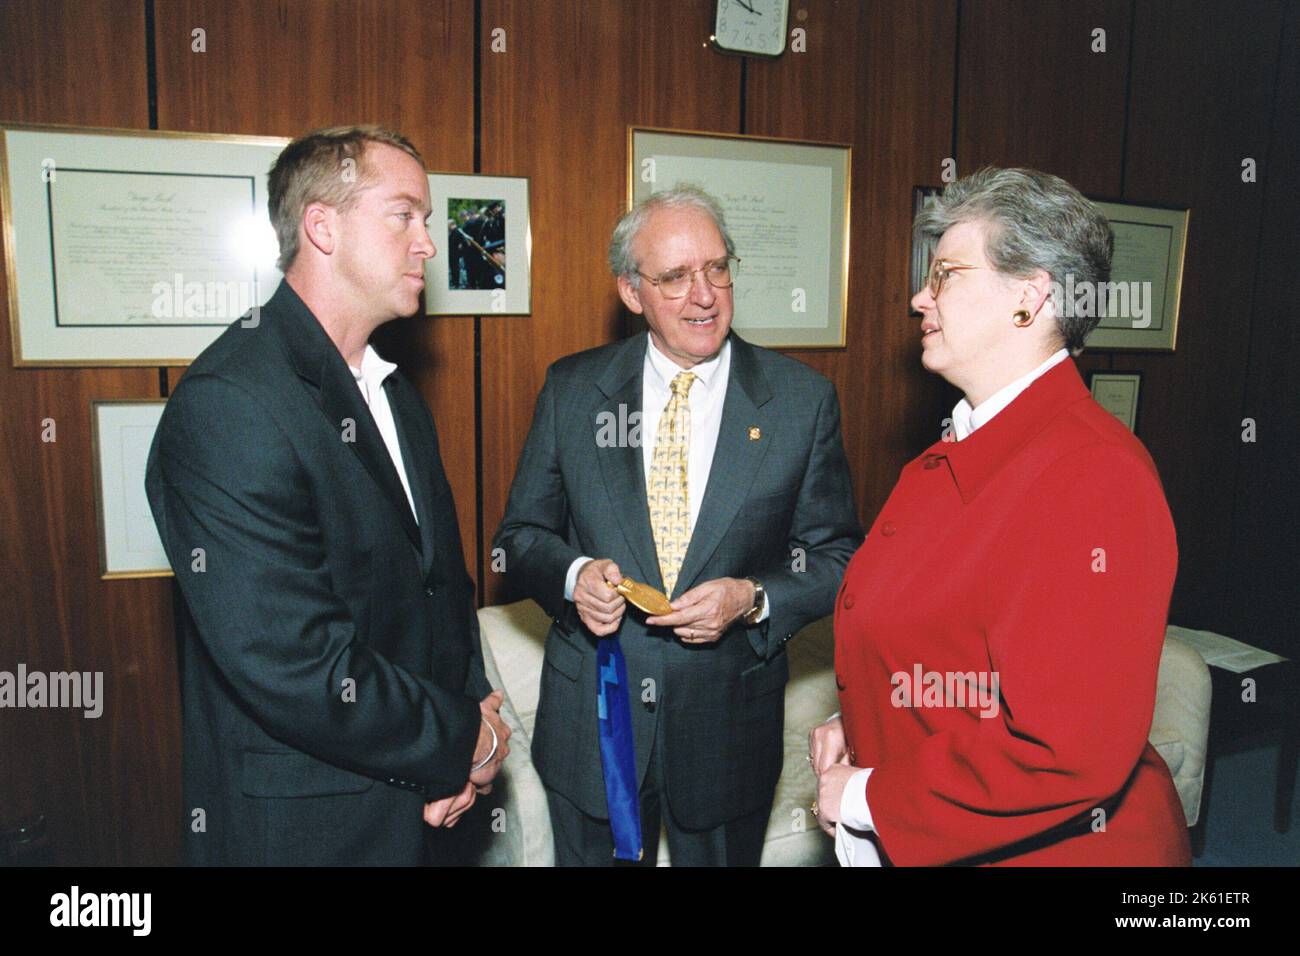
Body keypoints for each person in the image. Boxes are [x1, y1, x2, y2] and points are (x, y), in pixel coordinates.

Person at [146, 125, 509, 865]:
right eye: (403, 214)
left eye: (427, 221)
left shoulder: (392, 391)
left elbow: (443, 589)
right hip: (315, 832)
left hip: (430, 809)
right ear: (323, 227)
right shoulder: (231, 400)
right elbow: (296, 662)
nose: (428, 244)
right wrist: (462, 738)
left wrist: (472, 735)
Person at [810, 167, 1191, 866]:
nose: (918, 297)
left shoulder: (1096, 475)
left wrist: (866, 797)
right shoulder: (954, 452)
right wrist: (863, 718)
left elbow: (1062, 748)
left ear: (1030, 295)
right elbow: (954, 647)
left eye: (947, 274)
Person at [494, 185, 862, 866]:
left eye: (717, 268)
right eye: (674, 277)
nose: (704, 295)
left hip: (726, 736)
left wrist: (752, 598)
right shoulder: (573, 391)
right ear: (631, 292)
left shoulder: (800, 402)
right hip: (592, 734)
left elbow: (837, 556)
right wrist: (574, 578)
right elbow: (515, 542)